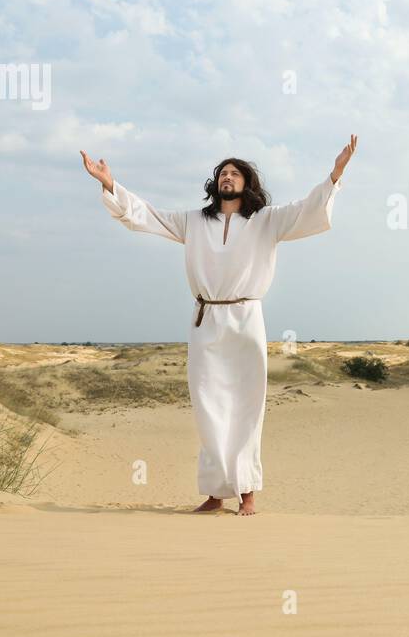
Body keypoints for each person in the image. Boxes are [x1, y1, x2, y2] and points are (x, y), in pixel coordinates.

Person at [80, 136, 357, 515]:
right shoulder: (194, 221)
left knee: (246, 405)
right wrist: (109, 184)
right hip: (205, 319)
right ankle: (215, 493)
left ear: (247, 182)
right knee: (208, 405)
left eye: (235, 173)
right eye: (223, 173)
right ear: (216, 183)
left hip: (245, 319)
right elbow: (147, 215)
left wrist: (335, 175)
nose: (227, 177)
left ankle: (248, 494)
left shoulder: (267, 220)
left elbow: (309, 209)